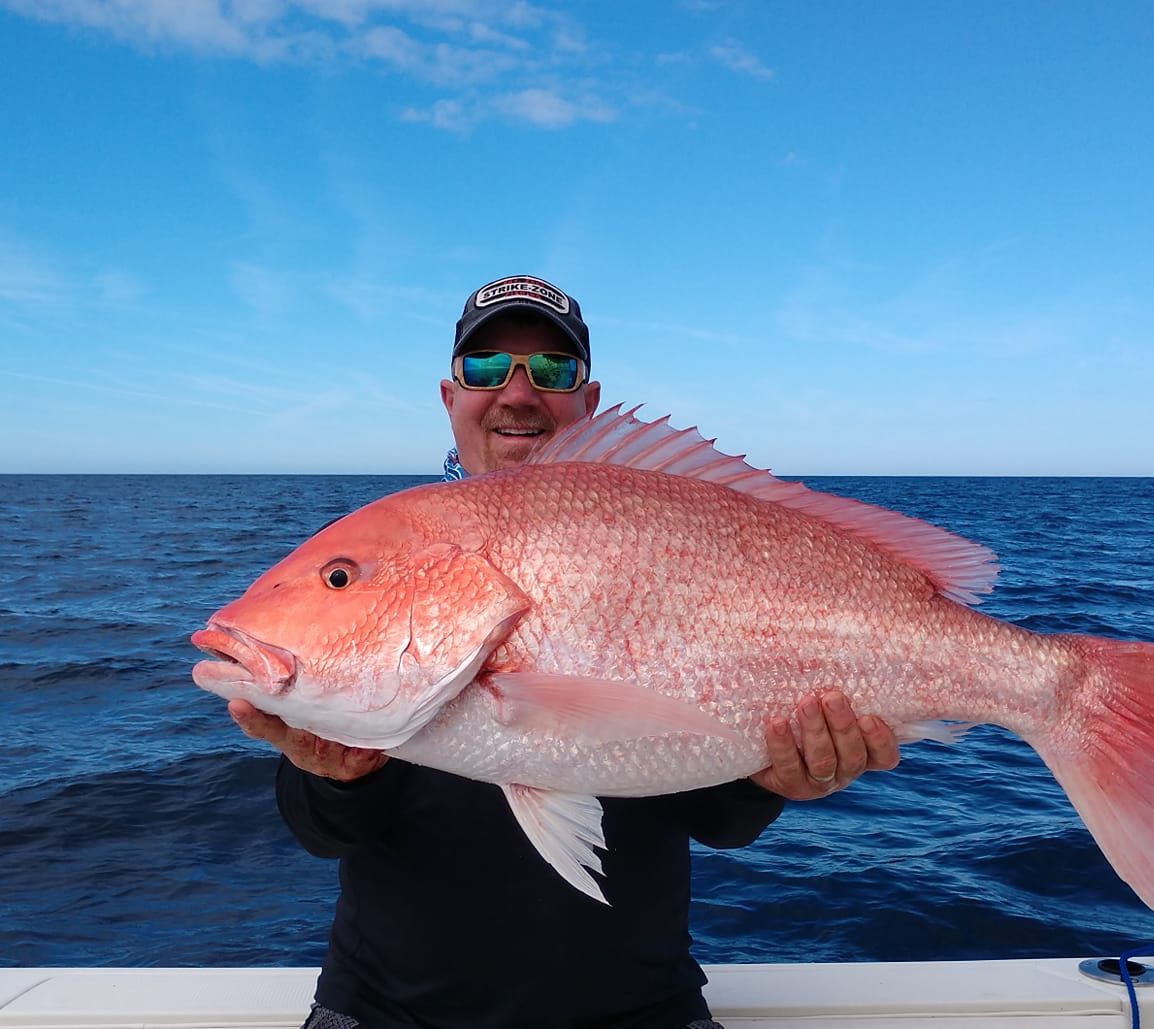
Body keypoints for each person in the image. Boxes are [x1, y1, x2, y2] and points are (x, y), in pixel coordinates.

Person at [228, 275, 901, 1029]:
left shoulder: (654, 519)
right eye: (486, 368)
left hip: (644, 1009)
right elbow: (321, 832)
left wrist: (777, 772)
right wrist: (340, 777)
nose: (518, 392)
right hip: (388, 1010)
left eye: (553, 369)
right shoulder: (396, 542)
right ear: (452, 397)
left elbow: (721, 820)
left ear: (589, 399)